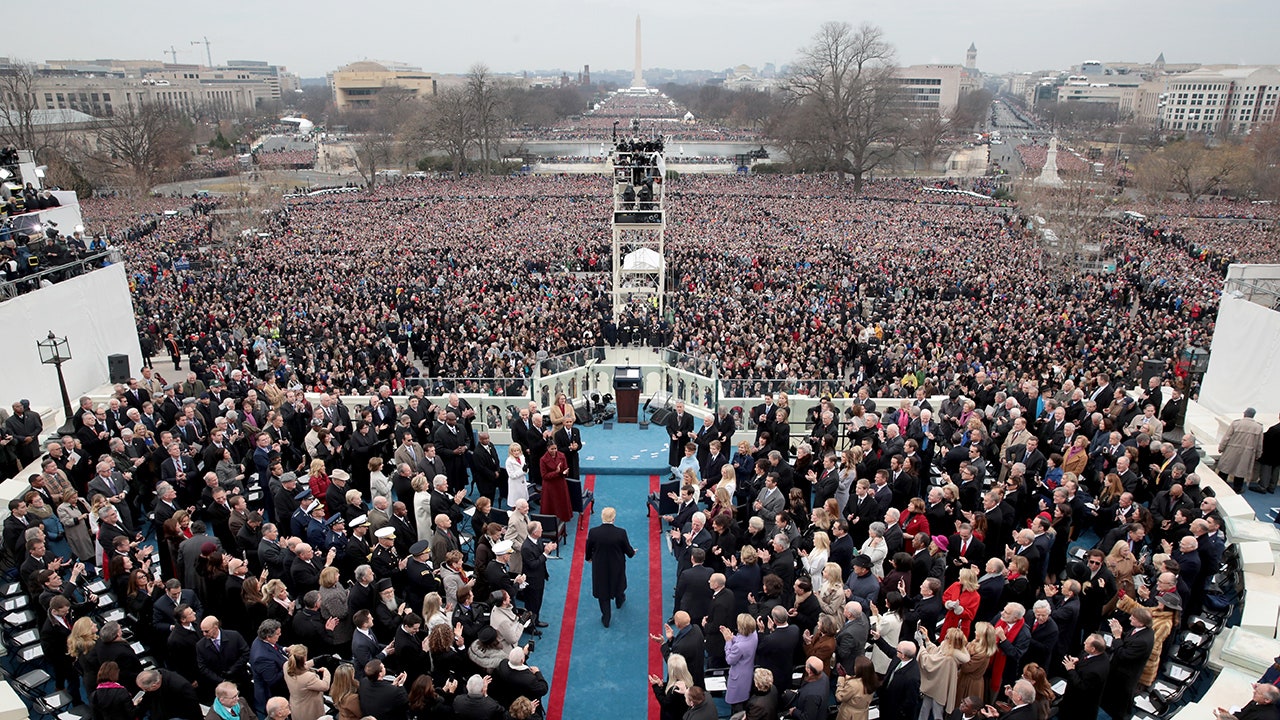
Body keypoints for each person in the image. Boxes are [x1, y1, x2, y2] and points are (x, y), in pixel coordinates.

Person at [585, 506, 635, 627]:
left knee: (602, 591)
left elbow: (588, 548)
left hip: (599, 566)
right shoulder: (620, 532)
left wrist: (589, 558)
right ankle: (619, 601)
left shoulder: (593, 532)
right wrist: (632, 552)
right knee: (618, 583)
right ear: (613, 518)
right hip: (617, 565)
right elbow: (627, 550)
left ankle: (606, 618)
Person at [1219, 408, 1265, 493]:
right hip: (1247, 453)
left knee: (1225, 469)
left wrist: (1221, 448)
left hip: (1231, 450)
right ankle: (1237, 488)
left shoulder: (1236, 423)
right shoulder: (1258, 427)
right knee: (1240, 472)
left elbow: (1226, 437)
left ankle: (1220, 486)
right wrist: (1258, 454)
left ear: (1244, 414)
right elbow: (1259, 444)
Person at [283, 644, 331, 720]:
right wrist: (326, 673)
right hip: (309, 710)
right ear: (304, 658)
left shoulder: (286, 666)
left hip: (296, 707)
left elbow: (299, 666)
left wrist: (314, 661)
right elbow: (325, 686)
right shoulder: (309, 677)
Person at [724, 613, 760, 712]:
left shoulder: (739, 647)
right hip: (748, 672)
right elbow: (742, 640)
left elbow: (730, 660)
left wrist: (728, 641)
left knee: (737, 705)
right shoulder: (754, 634)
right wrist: (733, 639)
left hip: (738, 676)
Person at [649, 652, 695, 720]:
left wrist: (656, 687)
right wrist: (661, 685)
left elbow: (665, 703)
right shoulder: (688, 681)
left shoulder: (675, 689)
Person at [834, 656, 878, 720]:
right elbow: (858, 681)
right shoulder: (873, 680)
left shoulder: (853, 685)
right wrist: (845, 676)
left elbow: (839, 697)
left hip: (849, 715)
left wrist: (840, 681)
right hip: (863, 713)